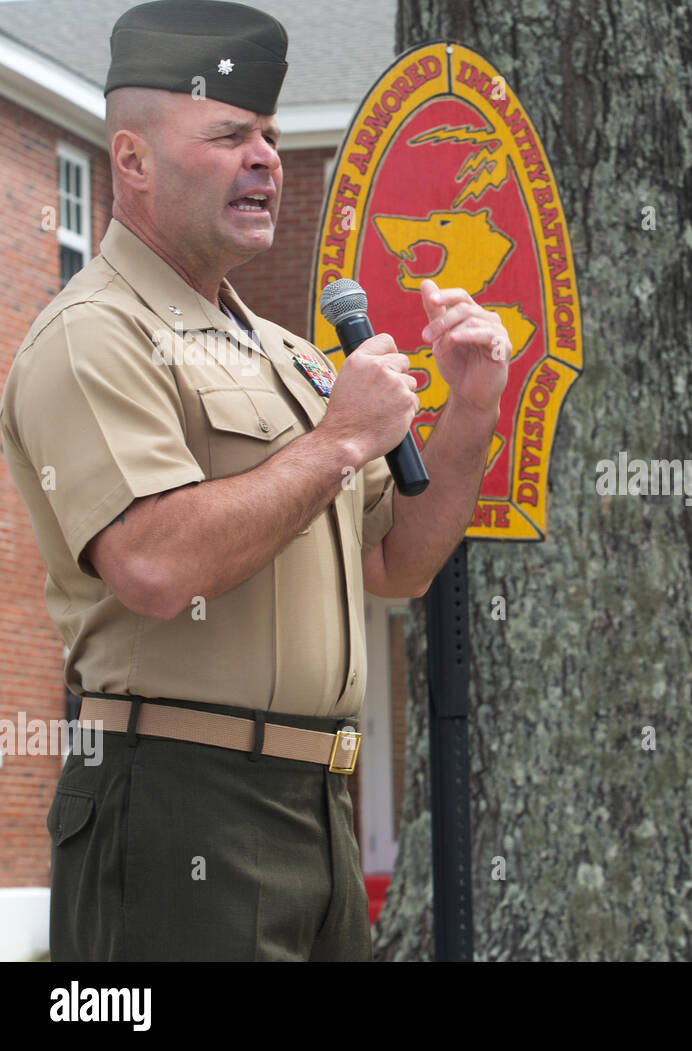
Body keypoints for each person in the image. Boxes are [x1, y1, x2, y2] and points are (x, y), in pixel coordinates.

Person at [0, 0, 510, 961]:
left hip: (317, 806)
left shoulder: (287, 354)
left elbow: (394, 562)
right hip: (174, 799)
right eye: (230, 134)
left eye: (271, 136)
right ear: (134, 161)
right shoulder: (92, 336)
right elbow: (151, 562)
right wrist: (336, 442)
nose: (267, 157)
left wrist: (471, 413)